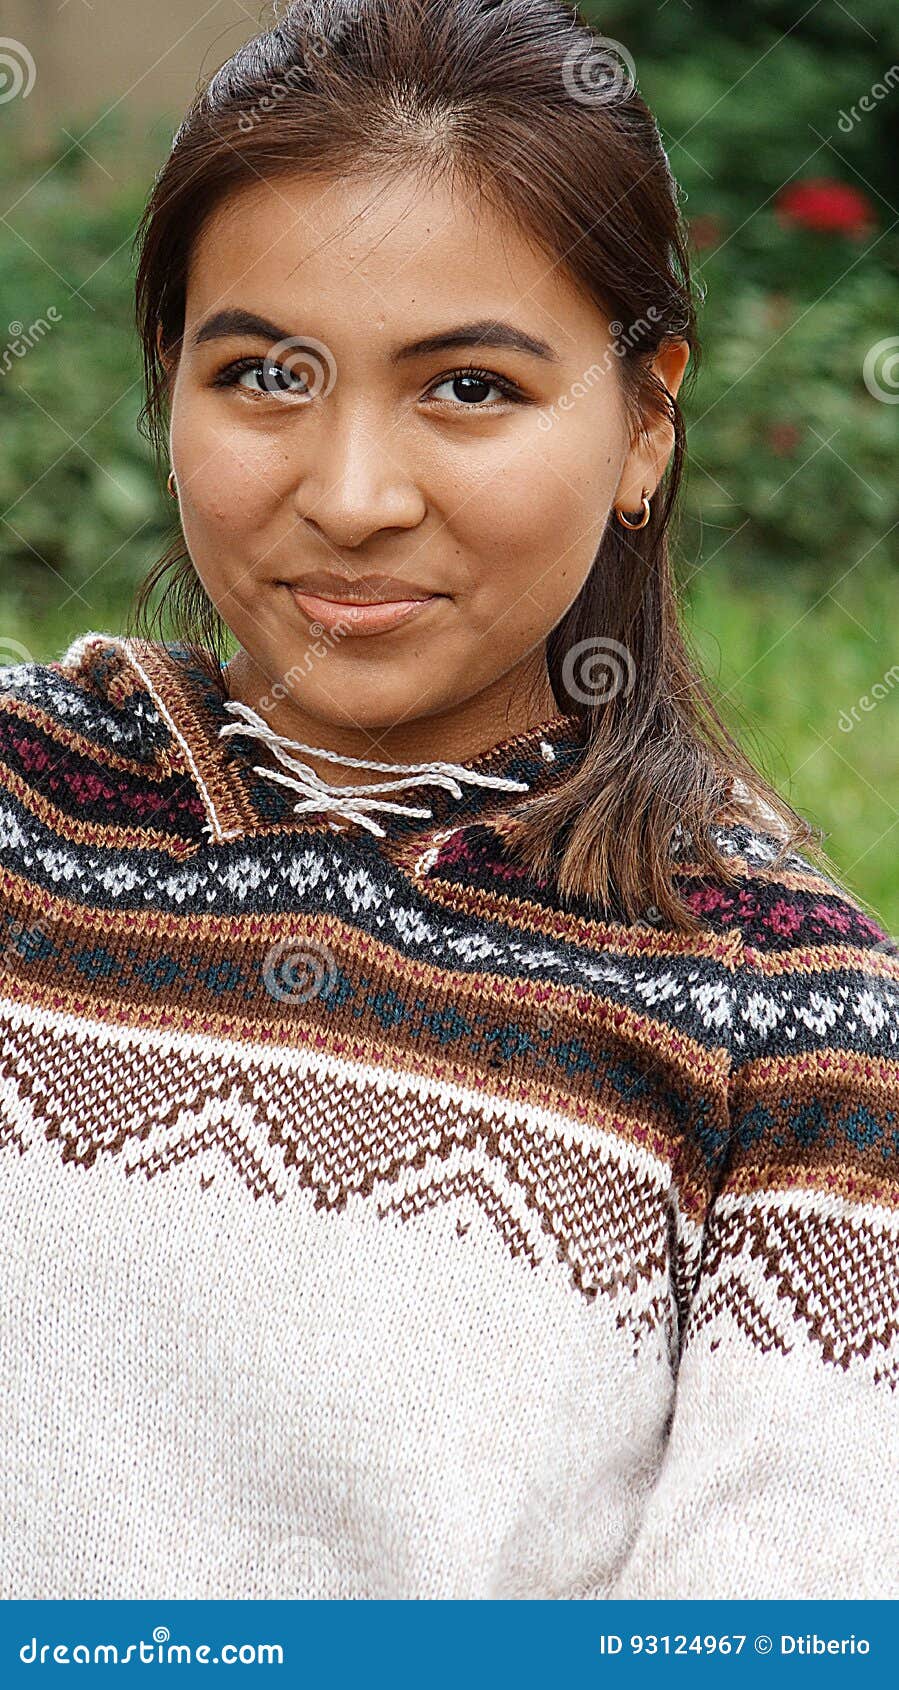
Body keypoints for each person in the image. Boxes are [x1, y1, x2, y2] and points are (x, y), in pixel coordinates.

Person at [0, 0, 896, 1601]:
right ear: (168, 379)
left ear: (644, 417)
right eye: (266, 373)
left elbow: (775, 1637)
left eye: (470, 387)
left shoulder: (797, 1023)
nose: (350, 497)